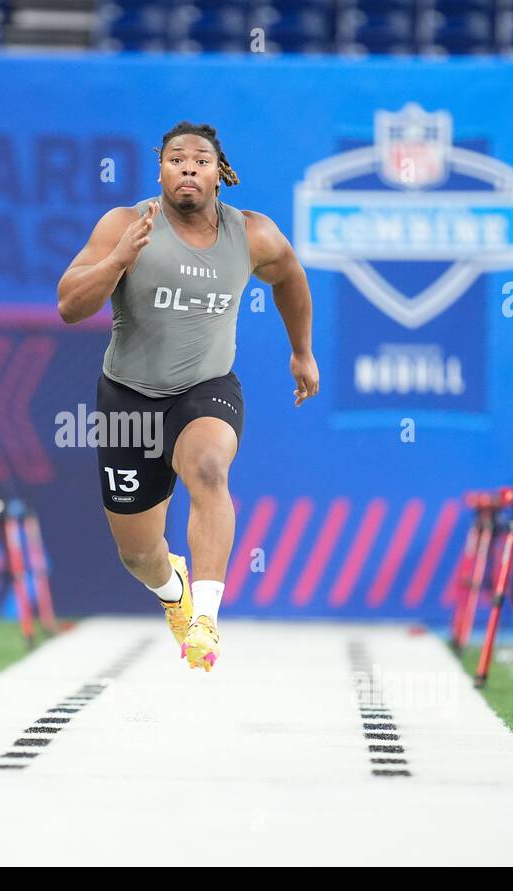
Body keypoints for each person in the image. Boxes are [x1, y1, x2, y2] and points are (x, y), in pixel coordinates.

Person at [56, 121, 319, 672]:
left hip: (206, 389)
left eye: (200, 160)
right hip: (127, 399)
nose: (188, 168)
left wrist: (302, 352)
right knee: (137, 554)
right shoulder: (126, 225)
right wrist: (116, 261)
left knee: (208, 469)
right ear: (161, 170)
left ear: (218, 173)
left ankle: (205, 617)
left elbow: (290, 276)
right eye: (176, 159)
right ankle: (173, 589)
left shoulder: (252, 234)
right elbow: (69, 306)